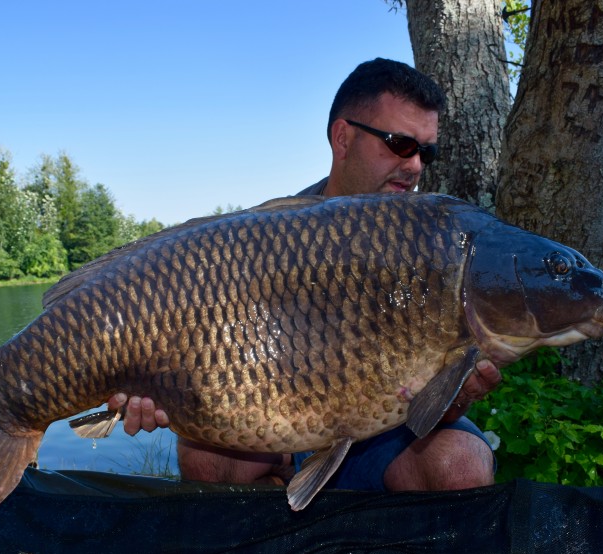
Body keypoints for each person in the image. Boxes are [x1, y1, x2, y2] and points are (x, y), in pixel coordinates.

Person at [108, 58, 500, 492]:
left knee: (461, 465)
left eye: (427, 151)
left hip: (387, 429)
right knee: (207, 458)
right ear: (342, 138)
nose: (415, 165)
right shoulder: (270, 236)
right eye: (400, 143)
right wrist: (150, 386)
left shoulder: (436, 246)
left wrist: (453, 395)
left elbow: (426, 396)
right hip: (277, 418)